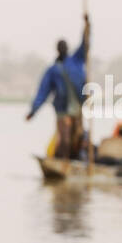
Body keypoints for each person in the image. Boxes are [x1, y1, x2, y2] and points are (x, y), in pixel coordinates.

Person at [26, 14, 91, 160]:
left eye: (64, 47)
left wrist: (87, 26)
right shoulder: (53, 70)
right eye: (60, 47)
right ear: (58, 50)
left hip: (78, 109)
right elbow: (43, 92)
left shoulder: (76, 60)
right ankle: (63, 163)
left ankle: (76, 163)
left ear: (67, 49)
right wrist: (33, 111)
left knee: (78, 139)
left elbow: (85, 44)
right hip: (63, 111)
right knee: (65, 140)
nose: (63, 49)